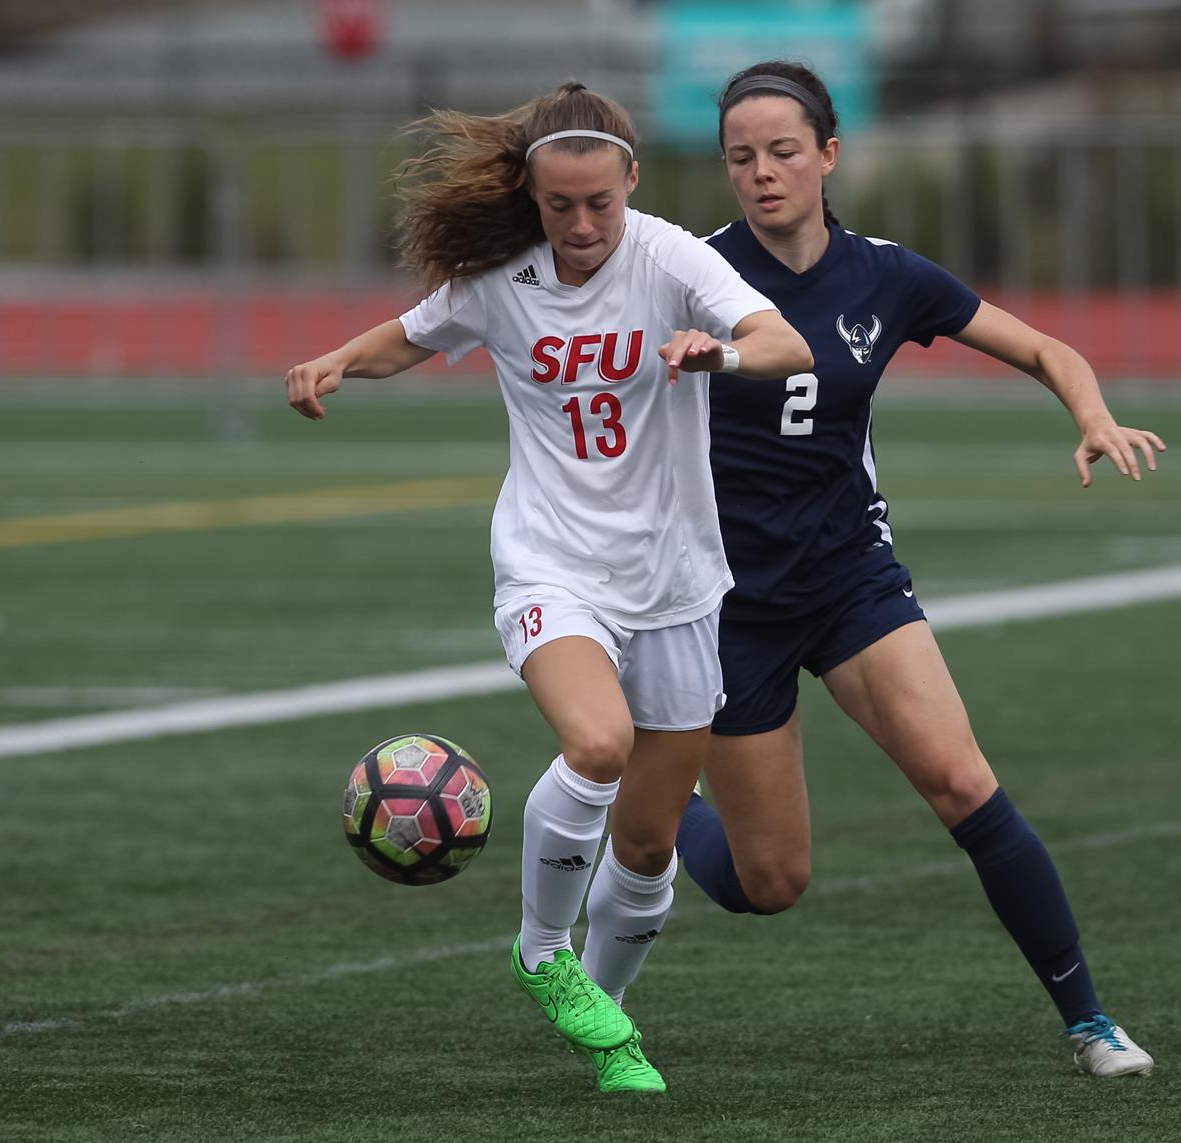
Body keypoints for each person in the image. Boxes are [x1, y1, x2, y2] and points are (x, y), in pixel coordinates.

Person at [285, 82, 811, 1094]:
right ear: (531, 193)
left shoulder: (671, 259)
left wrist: (724, 351)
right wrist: (339, 362)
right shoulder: (500, 279)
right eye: (558, 204)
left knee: (650, 841)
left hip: (678, 579)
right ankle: (539, 949)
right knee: (598, 744)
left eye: (597, 204)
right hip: (552, 561)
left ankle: (606, 1025)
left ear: (631, 184)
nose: (579, 225)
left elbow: (786, 342)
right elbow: (414, 332)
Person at [672, 61, 1164, 1078]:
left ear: (828, 156)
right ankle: (656, 802)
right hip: (730, 610)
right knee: (770, 881)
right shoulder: (689, 275)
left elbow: (1043, 349)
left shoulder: (885, 275)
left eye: (782, 152)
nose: (761, 174)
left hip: (851, 580)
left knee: (960, 779)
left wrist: (1092, 414)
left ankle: (1088, 1021)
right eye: (740, 157)